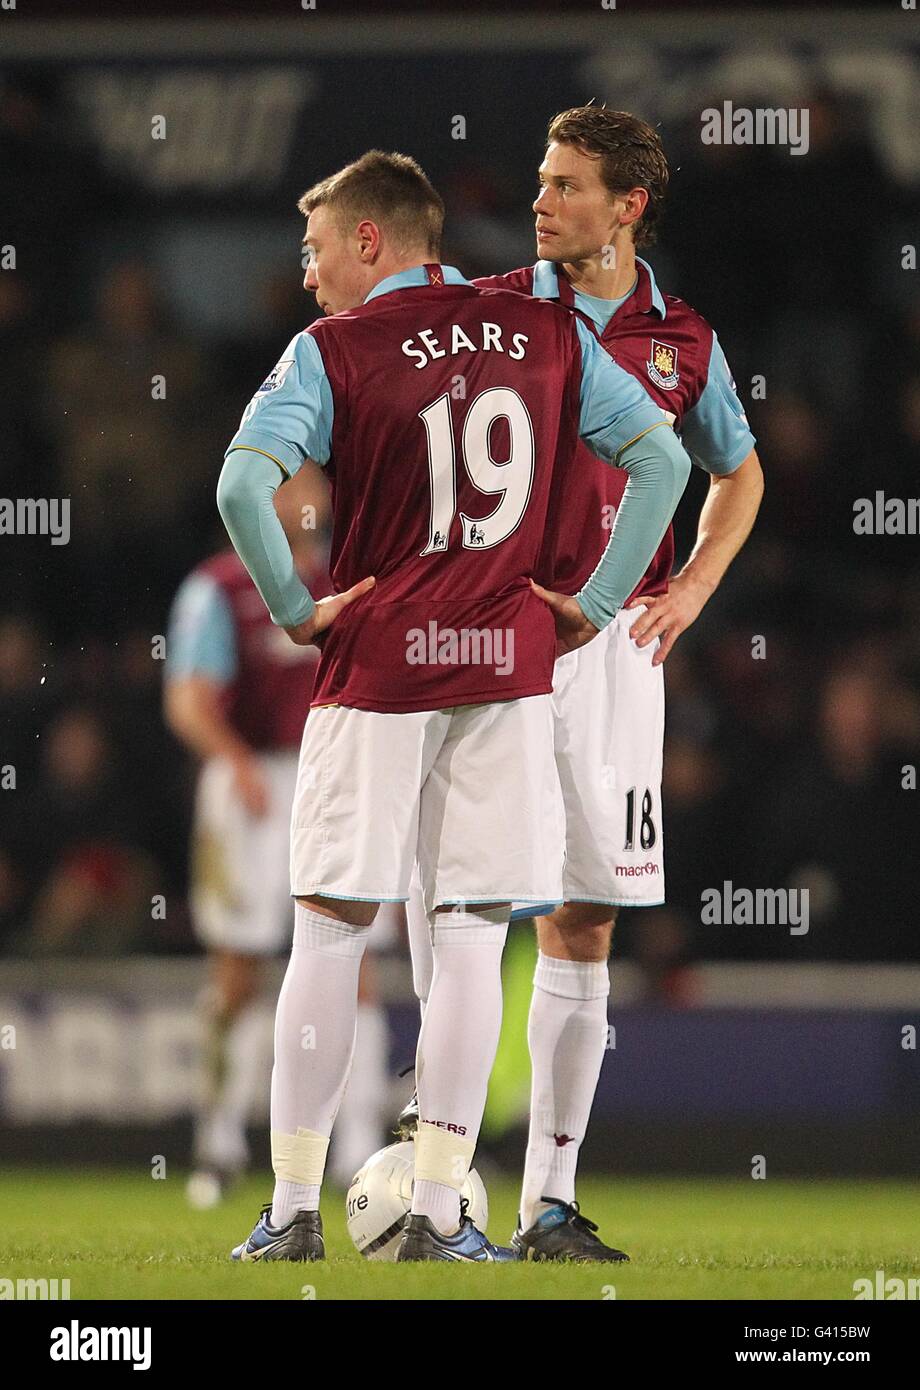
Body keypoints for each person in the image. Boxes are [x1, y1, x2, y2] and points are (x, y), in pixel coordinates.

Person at [216, 149, 693, 1263]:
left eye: (315, 248)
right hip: (506, 670)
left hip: (379, 665)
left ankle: (289, 1211)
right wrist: (597, 601)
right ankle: (439, 1212)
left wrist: (297, 605)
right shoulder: (546, 330)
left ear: (368, 241)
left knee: (333, 927)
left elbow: (242, 484)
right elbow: (661, 461)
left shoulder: (332, 349)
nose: (306, 274)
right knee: (471, 933)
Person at [403, 107, 764, 1261]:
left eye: (564, 185)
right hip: (500, 631)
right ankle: (437, 1181)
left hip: (614, 656)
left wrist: (696, 585)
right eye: (541, 181)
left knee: (587, 912)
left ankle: (548, 1201)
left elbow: (737, 473)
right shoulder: (496, 310)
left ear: (626, 208)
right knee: (461, 903)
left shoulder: (682, 341)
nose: (541, 202)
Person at [164, 484, 391, 1206]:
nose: (310, 491)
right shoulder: (220, 587)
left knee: (353, 959)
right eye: (291, 475)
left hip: (332, 773)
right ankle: (219, 1141)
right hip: (250, 782)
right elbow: (188, 699)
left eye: (317, 476)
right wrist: (232, 761)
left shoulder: (352, 574)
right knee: (239, 965)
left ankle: (358, 1145)